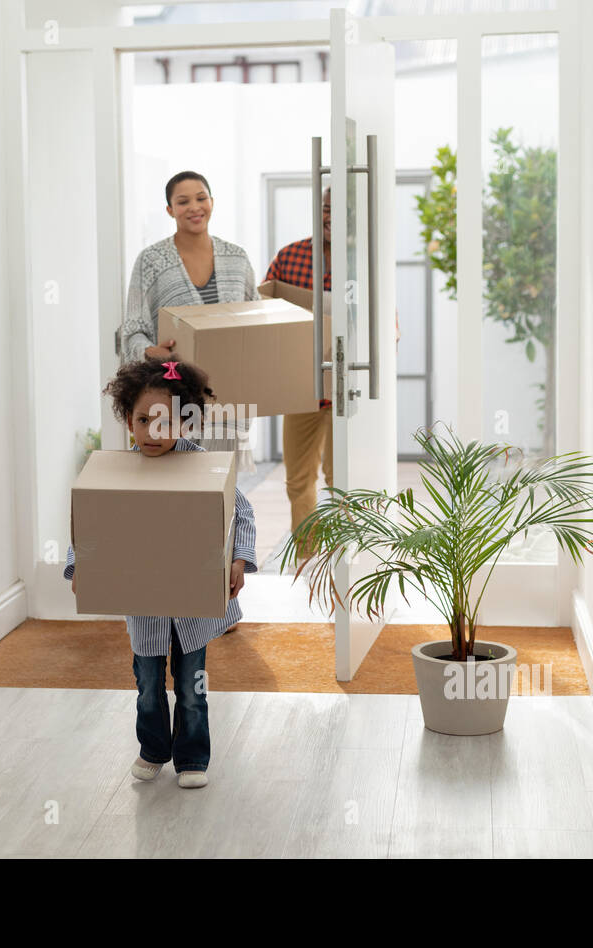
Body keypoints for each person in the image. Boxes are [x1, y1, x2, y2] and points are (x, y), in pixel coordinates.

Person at [64, 356, 257, 789]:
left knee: (192, 688)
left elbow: (241, 512)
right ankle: (152, 749)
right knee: (148, 686)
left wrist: (239, 559)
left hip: (193, 610)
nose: (153, 432)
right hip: (144, 607)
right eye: (142, 420)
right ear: (127, 420)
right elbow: (91, 522)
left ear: (185, 422)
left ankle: (192, 757)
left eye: (165, 422)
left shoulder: (203, 466)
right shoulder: (118, 474)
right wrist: (82, 567)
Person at [264, 187, 400, 560]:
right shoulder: (290, 257)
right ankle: (307, 561)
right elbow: (264, 314)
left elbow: (388, 327)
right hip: (301, 387)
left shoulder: (366, 262)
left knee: (343, 481)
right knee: (298, 480)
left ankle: (345, 560)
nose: (333, 216)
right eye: (327, 208)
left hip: (348, 390)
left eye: (344, 210)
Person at [121, 171, 259, 472]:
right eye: (183, 202)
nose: (194, 207)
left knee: (221, 478)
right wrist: (150, 351)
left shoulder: (237, 258)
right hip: (173, 395)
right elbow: (132, 328)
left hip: (228, 394)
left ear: (212, 202)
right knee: (174, 477)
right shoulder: (151, 260)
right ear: (170, 209)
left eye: (201, 198)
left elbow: (255, 321)